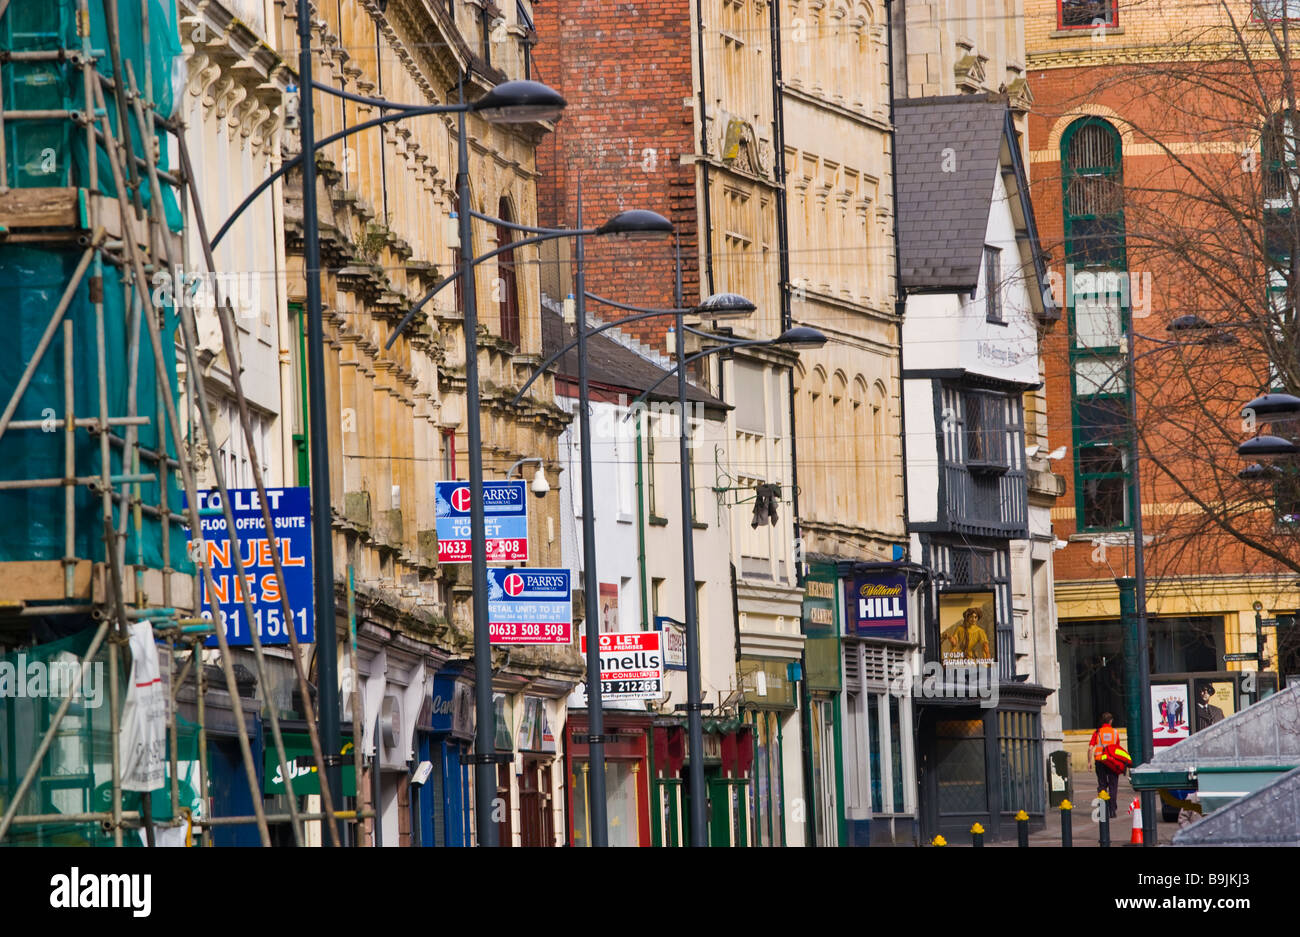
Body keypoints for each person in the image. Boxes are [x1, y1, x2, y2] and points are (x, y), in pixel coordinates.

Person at [1089, 712, 1122, 818]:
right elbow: (1117, 748)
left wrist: (1089, 762)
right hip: (1112, 761)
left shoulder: (1097, 732)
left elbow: (1090, 748)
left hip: (1100, 761)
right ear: (1111, 721)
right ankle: (1112, 810)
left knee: (1102, 785)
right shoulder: (1115, 732)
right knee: (1113, 785)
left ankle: (1103, 810)